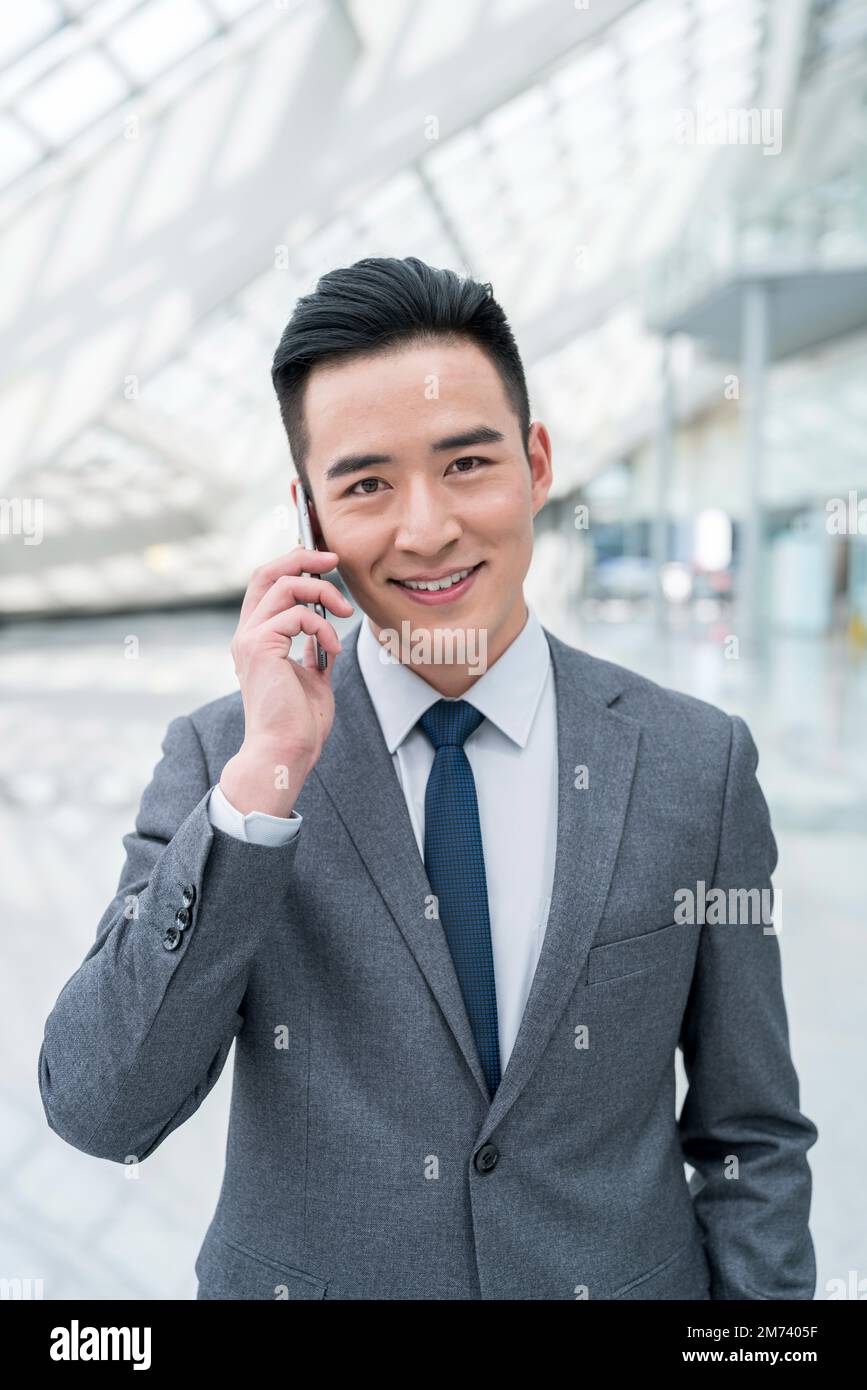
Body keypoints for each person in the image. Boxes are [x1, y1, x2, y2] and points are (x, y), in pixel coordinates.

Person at [38, 256, 818, 1300]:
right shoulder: (225, 762)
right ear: (309, 516)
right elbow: (99, 1106)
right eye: (365, 484)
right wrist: (266, 781)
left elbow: (751, 1137)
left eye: (466, 465)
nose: (427, 528)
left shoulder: (695, 763)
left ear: (538, 462)